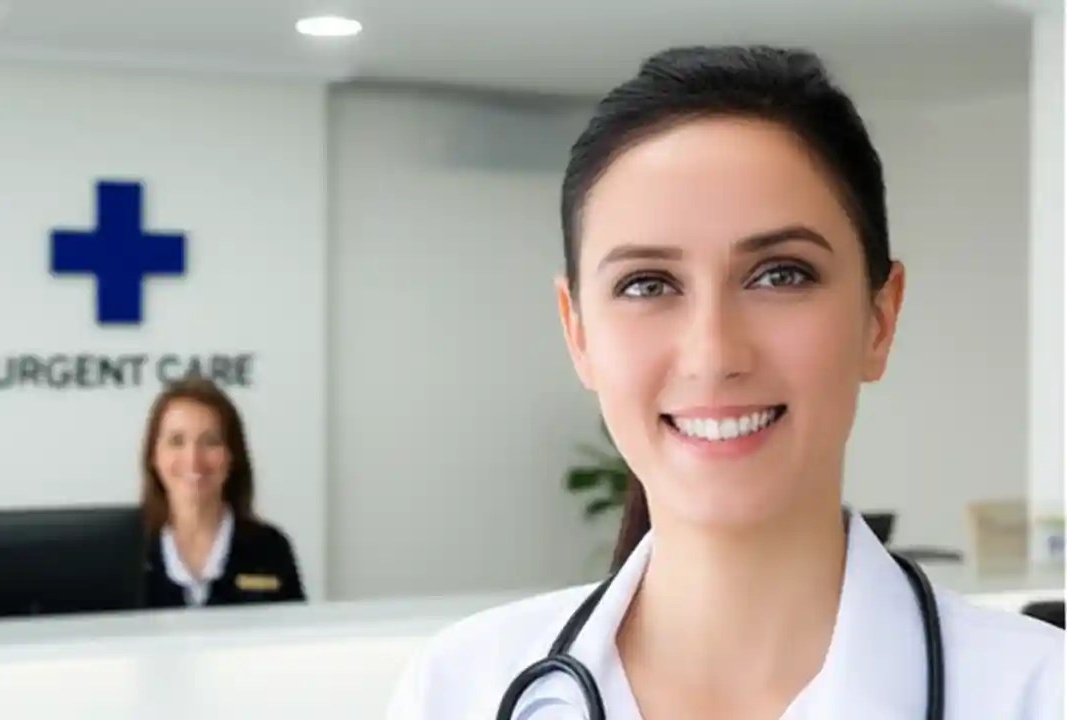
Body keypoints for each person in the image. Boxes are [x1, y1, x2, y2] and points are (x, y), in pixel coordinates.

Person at [387, 45, 1063, 719]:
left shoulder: (1038, 692)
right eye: (647, 284)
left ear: (879, 319)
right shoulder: (459, 690)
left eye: (781, 275)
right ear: (579, 333)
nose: (713, 354)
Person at [140, 375, 305, 608]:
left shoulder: (269, 548)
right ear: (153, 456)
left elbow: (294, 640)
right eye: (176, 441)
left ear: (232, 456)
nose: (193, 459)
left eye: (210, 441)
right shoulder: (124, 553)